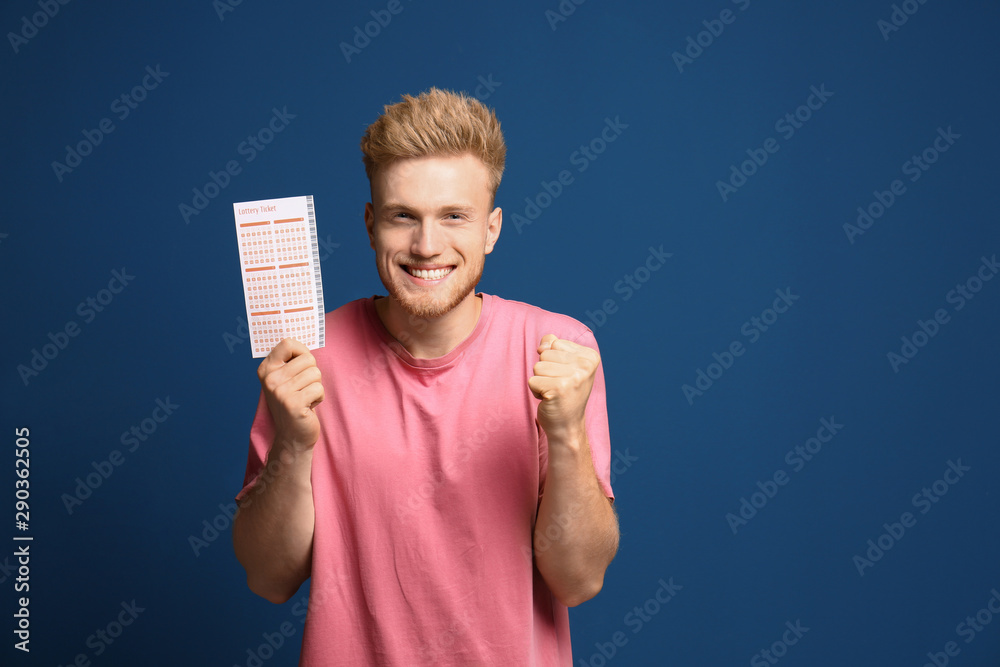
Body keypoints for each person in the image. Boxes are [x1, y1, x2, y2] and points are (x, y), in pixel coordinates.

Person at [232, 87, 619, 666]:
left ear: (491, 228)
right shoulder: (310, 357)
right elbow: (268, 578)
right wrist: (292, 445)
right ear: (370, 225)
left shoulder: (558, 352)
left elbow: (580, 580)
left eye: (453, 216)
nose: (427, 246)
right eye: (402, 217)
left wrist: (564, 434)